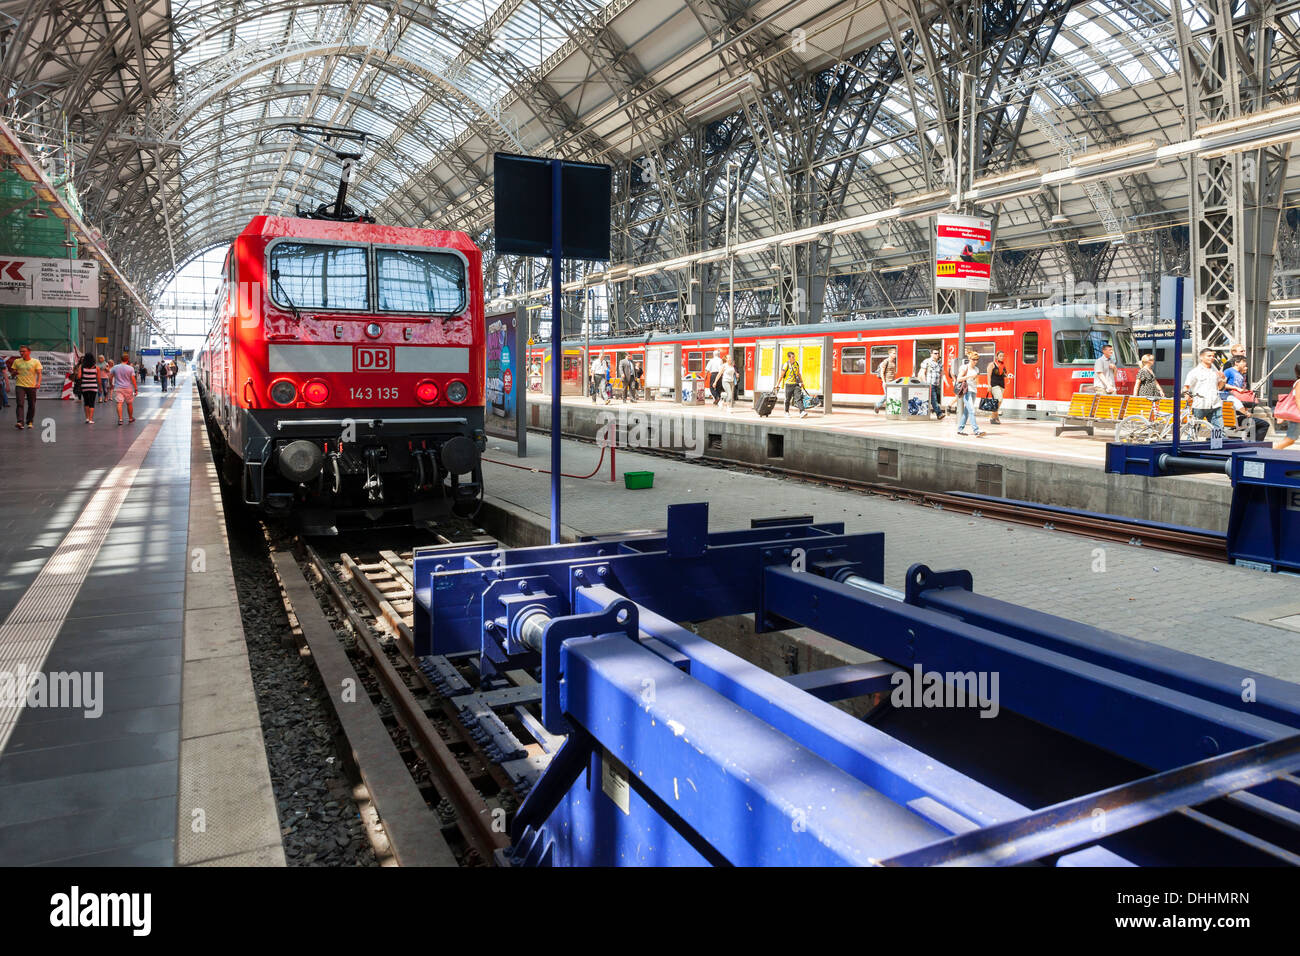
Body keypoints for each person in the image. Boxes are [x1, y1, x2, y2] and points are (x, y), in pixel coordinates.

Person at [1183, 348, 1225, 429]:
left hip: (1215, 405)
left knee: (1219, 430)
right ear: (1201, 357)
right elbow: (1186, 387)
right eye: (1209, 356)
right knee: (1194, 429)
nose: (1211, 358)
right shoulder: (1195, 372)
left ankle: (1217, 442)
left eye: (1213, 356)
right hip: (1200, 405)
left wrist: (1223, 379)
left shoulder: (1215, 371)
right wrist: (1187, 396)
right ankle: (1191, 442)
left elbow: (1219, 387)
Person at [954, 348, 986, 437]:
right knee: (972, 410)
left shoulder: (977, 369)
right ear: (969, 359)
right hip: (967, 391)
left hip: (974, 391)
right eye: (973, 359)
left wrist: (976, 379)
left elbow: (976, 382)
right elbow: (959, 379)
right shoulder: (964, 367)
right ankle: (976, 430)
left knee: (967, 411)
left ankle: (960, 429)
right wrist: (969, 376)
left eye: (977, 360)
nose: (975, 361)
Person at [10, 344, 42, 430]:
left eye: (23, 351)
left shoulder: (35, 361)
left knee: (31, 404)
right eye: (20, 351)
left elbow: (39, 374)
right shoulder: (17, 361)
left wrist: (38, 383)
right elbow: (12, 374)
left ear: (29, 352)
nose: (21, 353)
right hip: (20, 385)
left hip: (31, 386)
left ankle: (30, 421)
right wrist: (14, 374)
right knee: (20, 403)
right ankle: (20, 422)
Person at [1274, 363, 1300, 450]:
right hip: (1297, 416)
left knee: (1291, 438)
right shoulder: (1299, 383)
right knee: (1290, 439)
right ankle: (1272, 450)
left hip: (1296, 415)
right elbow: (1298, 399)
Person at [985, 350, 1013, 425]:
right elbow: (988, 375)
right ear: (996, 356)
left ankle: (994, 417)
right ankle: (993, 416)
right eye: (1000, 356)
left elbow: (1004, 374)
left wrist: (1009, 375)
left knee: (999, 401)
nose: (1002, 357)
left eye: (1003, 356)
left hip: (1001, 384)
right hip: (994, 384)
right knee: (999, 399)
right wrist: (989, 385)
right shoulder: (992, 364)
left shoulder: (1003, 365)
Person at [112, 352, 139, 424]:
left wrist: (111, 384)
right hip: (128, 388)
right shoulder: (130, 368)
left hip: (118, 388)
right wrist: (136, 389)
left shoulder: (115, 367)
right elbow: (133, 379)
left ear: (121, 359)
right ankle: (130, 418)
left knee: (119, 403)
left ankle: (120, 419)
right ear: (128, 360)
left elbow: (110, 376)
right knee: (129, 403)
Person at [918, 349, 944, 420]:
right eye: (935, 353)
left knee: (932, 399)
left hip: (936, 384)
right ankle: (939, 413)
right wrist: (925, 382)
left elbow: (942, 374)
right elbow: (923, 372)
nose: (937, 355)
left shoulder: (940, 363)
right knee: (934, 399)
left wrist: (946, 382)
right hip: (929, 383)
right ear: (931, 354)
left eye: (938, 353)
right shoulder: (927, 361)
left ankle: (924, 412)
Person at [779, 351, 804, 418]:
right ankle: (786, 412)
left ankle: (802, 412)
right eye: (792, 357)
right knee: (788, 399)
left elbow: (799, 374)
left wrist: (802, 382)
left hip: (796, 384)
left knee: (798, 398)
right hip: (788, 384)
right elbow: (781, 376)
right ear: (789, 358)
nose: (794, 358)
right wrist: (777, 384)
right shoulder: (786, 365)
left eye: (794, 356)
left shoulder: (796, 364)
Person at [78, 354, 102, 424]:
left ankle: (87, 418)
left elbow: (79, 377)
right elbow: (98, 379)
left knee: (86, 402)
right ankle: (91, 419)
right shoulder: (96, 368)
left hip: (84, 386)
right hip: (93, 386)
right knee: (92, 402)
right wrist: (100, 387)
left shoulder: (81, 367)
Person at [873, 347, 897, 414]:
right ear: (889, 354)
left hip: (892, 382)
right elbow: (882, 372)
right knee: (888, 395)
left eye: (895, 353)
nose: (895, 355)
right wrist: (884, 382)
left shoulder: (893, 362)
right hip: (887, 381)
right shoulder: (886, 361)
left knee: (891, 395)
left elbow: (893, 372)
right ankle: (877, 405)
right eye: (894, 353)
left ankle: (889, 409)